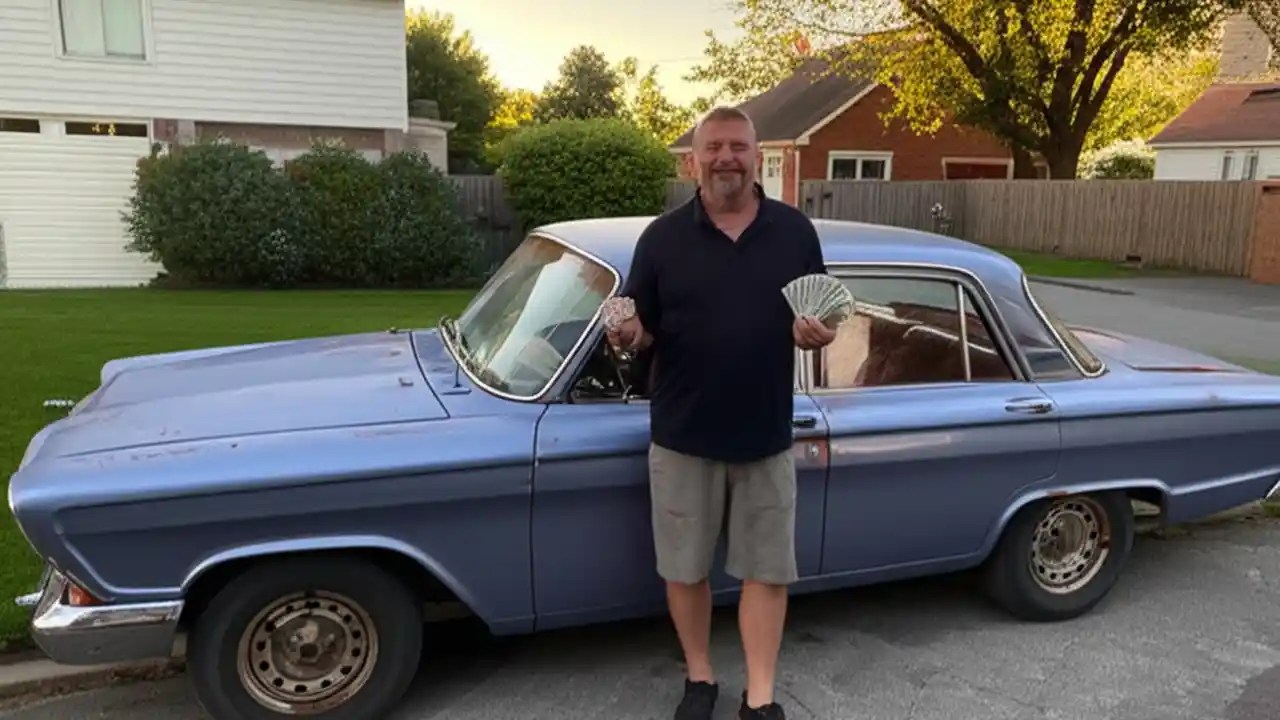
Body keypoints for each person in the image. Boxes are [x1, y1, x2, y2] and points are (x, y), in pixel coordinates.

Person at [607, 106, 837, 720]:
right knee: (684, 570)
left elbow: (823, 313)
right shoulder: (661, 238)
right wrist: (626, 333)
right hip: (682, 435)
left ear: (757, 156)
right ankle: (700, 677)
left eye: (738, 146)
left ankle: (759, 696)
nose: (726, 157)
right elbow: (638, 326)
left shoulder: (795, 232)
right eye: (714, 147)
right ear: (693, 160)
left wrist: (820, 332)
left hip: (765, 433)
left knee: (767, 572)